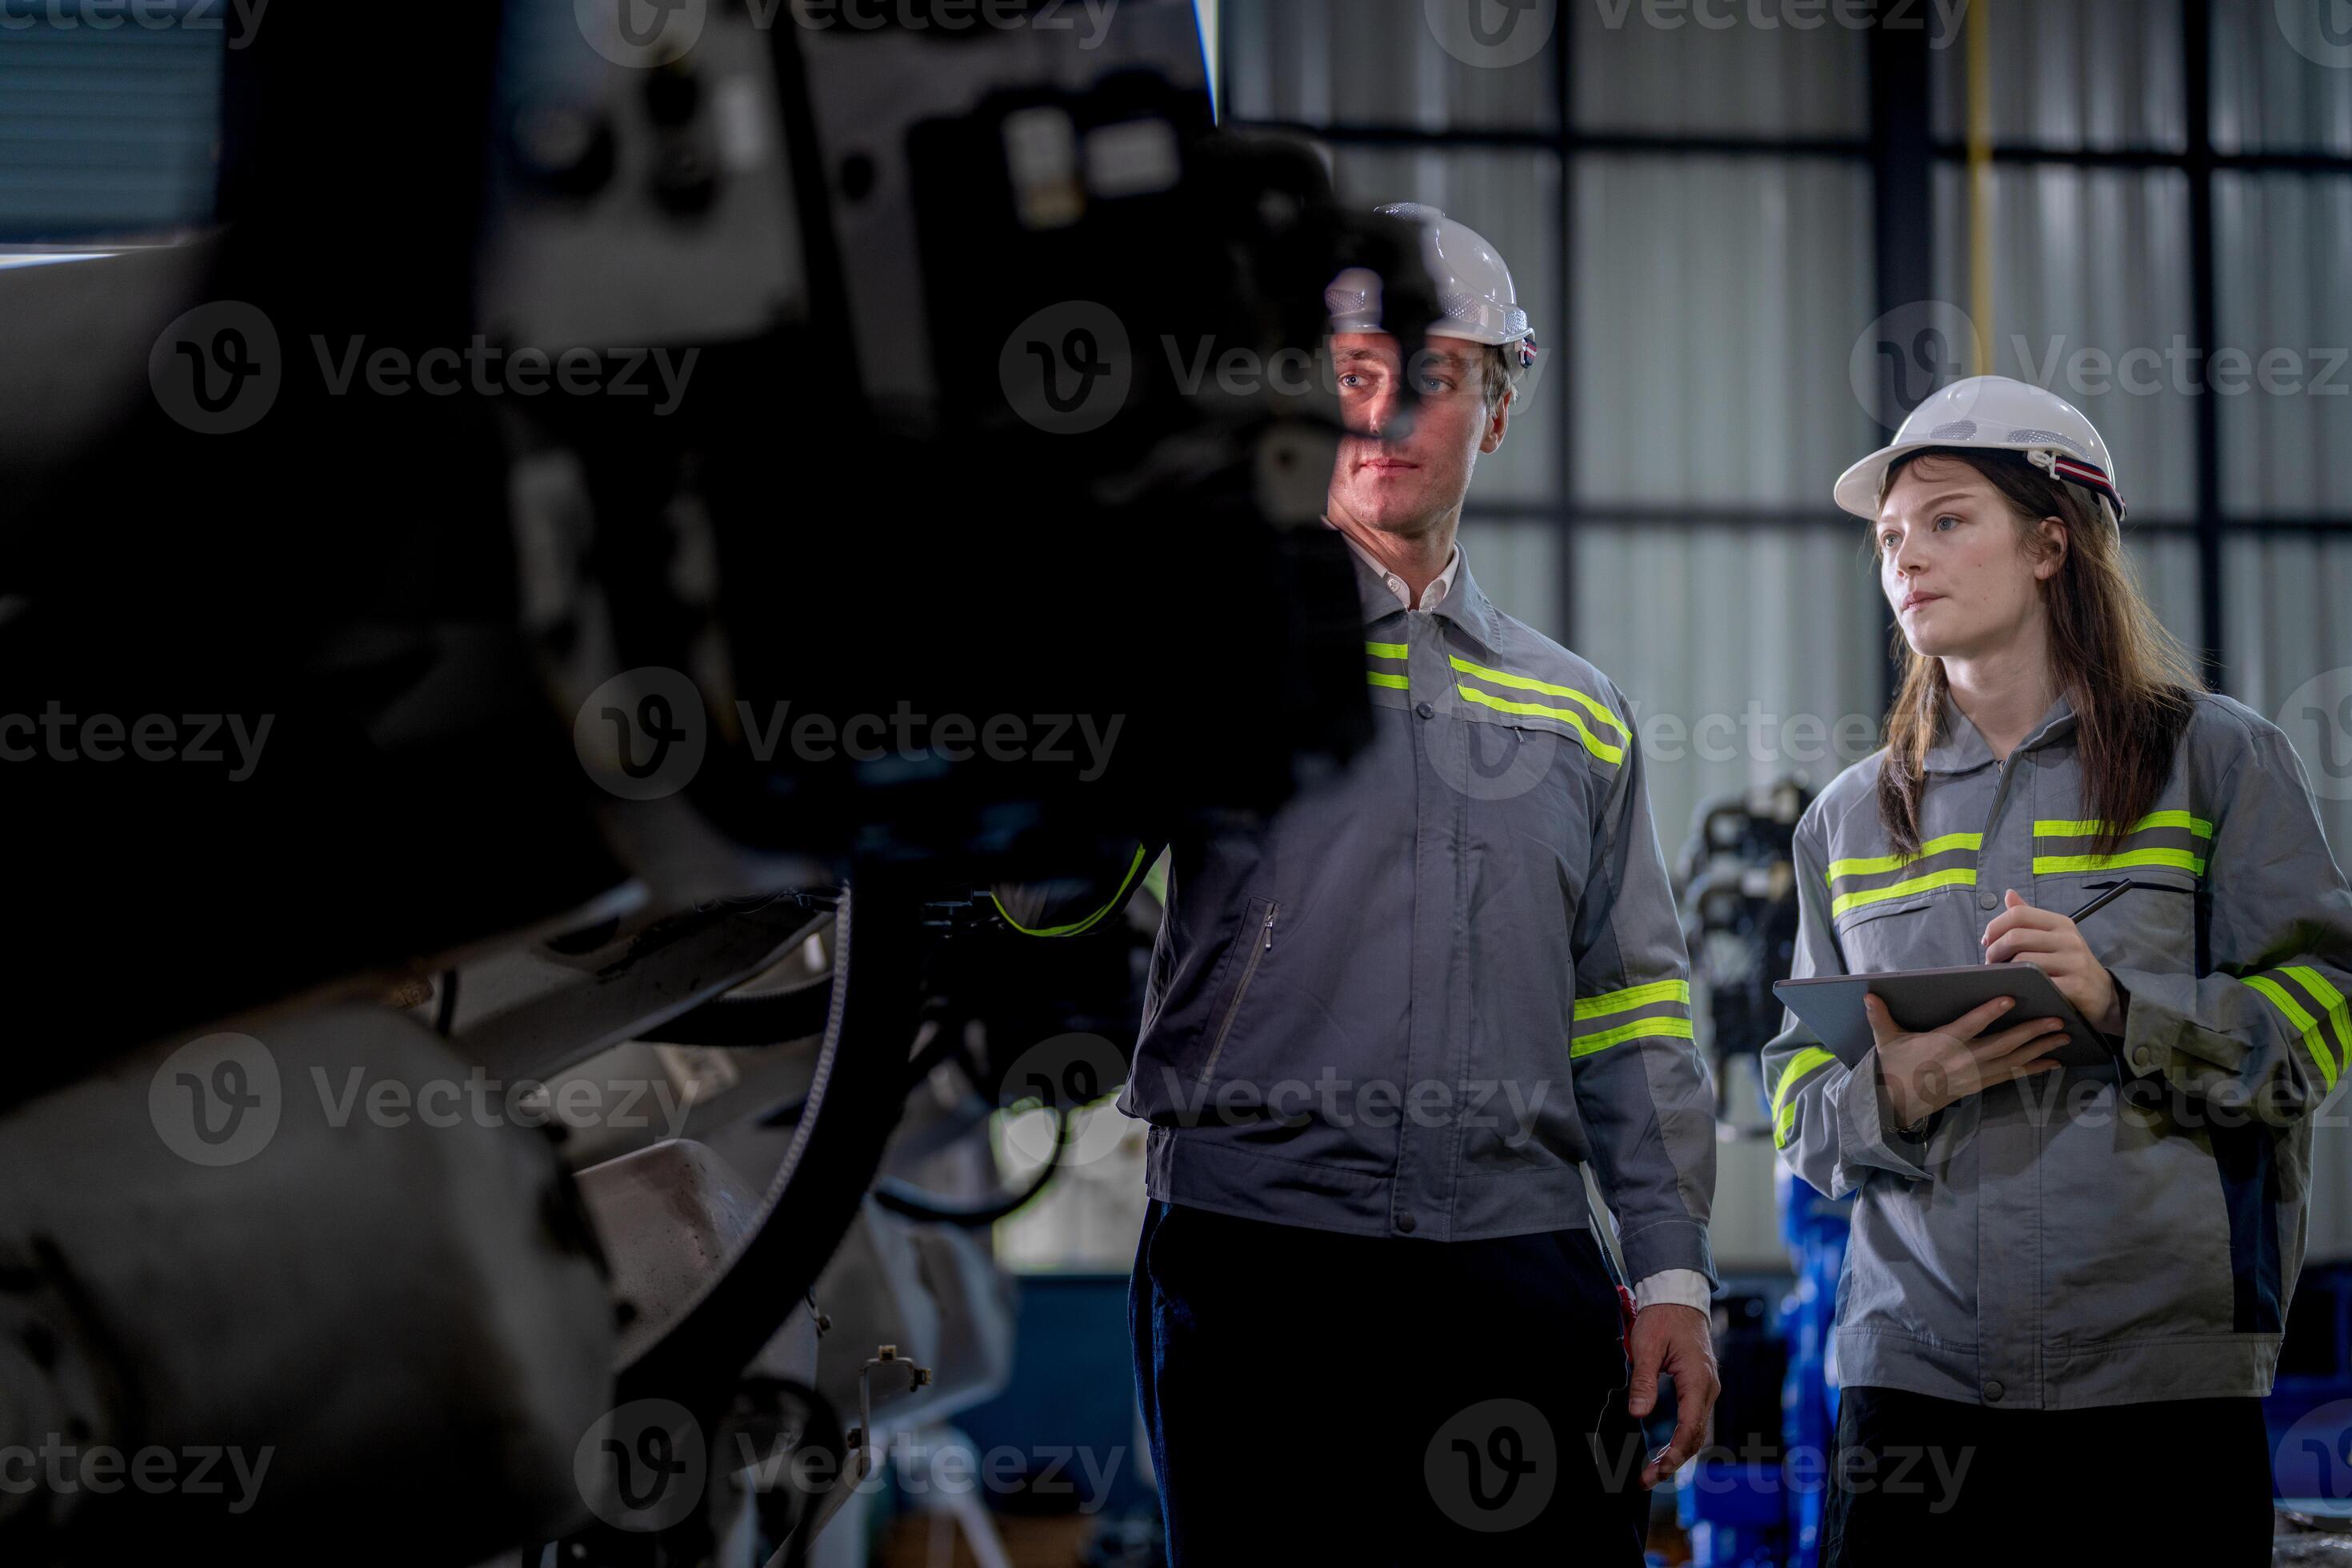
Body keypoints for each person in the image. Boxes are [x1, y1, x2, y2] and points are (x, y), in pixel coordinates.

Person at [996, 203, 1721, 1562]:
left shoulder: (1578, 711)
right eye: (1351, 378)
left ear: (1497, 407)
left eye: (1433, 378)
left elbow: (1630, 1011)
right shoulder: (1209, 656)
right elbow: (1049, 904)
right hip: (1261, 1265)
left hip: (1520, 1270)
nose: (1384, 415)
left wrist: (1672, 1266)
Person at [1762, 374, 2352, 1565]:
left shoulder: (2220, 763)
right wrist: (1900, 1088)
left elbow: (2320, 1029)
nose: (1904, 561)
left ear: (2050, 541)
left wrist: (2123, 1007)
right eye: (1888, 537)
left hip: (2158, 1388)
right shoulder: (1849, 821)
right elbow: (1793, 1110)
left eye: (1945, 521)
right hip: (1915, 1385)